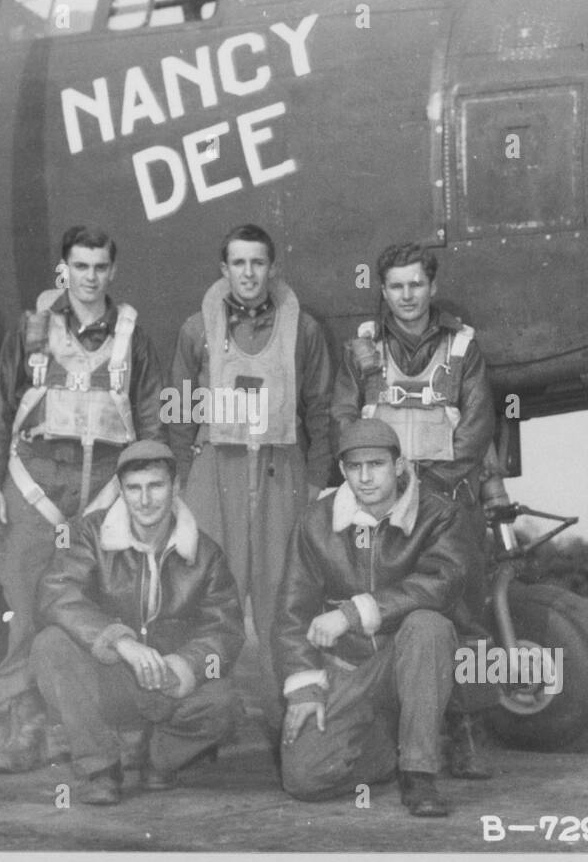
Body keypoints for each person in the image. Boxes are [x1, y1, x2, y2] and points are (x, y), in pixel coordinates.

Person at [0, 225, 165, 773]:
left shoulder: (132, 335)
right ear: (65, 268)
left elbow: (150, 417)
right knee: (26, 605)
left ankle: (89, 720)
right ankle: (24, 723)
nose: (90, 277)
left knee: (102, 602)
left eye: (100, 267)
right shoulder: (35, 330)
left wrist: (150, 488)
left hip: (105, 483)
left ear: (113, 270)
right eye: (80, 266)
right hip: (35, 479)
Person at [330, 241, 496, 778]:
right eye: (396, 285)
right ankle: (390, 723)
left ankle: (463, 727)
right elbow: (344, 418)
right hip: (381, 504)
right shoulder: (361, 349)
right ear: (383, 290)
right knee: (386, 605)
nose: (407, 295)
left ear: (432, 287)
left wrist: (433, 488)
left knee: (464, 614)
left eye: (416, 284)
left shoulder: (463, 346)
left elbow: (476, 425)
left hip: (447, 503)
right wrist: (385, 485)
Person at [169, 224, 333, 745]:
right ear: (224, 269)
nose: (248, 273)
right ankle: (191, 725)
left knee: (282, 599)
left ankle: (288, 723)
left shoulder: (302, 330)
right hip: (217, 468)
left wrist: (316, 486)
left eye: (257, 263)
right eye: (237, 263)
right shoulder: (197, 329)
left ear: (272, 268)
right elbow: (178, 410)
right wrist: (175, 483)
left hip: (281, 468)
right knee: (203, 596)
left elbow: (320, 413)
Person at [273, 419, 477, 817]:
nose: (364, 477)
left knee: (427, 626)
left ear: (399, 465)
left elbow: (441, 582)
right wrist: (304, 687)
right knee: (305, 779)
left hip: (407, 662)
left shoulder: (440, 514)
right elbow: (291, 612)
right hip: (347, 671)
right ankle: (388, 741)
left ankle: (419, 773)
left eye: (376, 464)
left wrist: (353, 612)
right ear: (343, 469)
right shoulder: (316, 521)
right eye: (354, 466)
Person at [29, 441, 245, 805]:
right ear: (121, 490)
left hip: (167, 685)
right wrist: (120, 642)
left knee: (225, 705)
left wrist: (185, 664)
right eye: (134, 488)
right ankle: (99, 768)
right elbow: (56, 594)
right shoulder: (88, 533)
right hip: (109, 677)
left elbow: (224, 629)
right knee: (50, 644)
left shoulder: (205, 553)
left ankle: (156, 759)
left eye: (156, 486)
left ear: (175, 487)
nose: (145, 500)